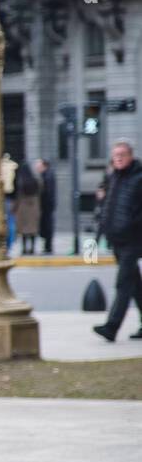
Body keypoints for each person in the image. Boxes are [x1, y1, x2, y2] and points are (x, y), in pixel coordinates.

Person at [93, 141, 142, 342]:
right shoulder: (113, 177)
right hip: (116, 239)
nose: (118, 158)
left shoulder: (138, 178)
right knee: (135, 284)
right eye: (115, 155)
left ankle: (111, 327)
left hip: (133, 238)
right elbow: (108, 207)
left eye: (122, 154)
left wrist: (132, 225)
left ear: (130, 156)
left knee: (123, 283)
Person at [13, 162, 41, 256]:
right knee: (33, 229)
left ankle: (24, 248)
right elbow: (41, 190)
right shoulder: (35, 180)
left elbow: (18, 194)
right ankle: (32, 248)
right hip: (34, 205)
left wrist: (15, 207)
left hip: (23, 206)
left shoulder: (21, 181)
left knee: (24, 229)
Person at [35, 158, 56, 254]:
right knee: (46, 226)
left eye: (38, 165)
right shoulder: (46, 174)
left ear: (43, 166)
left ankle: (48, 246)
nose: (36, 167)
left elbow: (47, 192)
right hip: (46, 205)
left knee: (47, 226)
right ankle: (47, 246)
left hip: (46, 205)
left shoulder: (47, 175)